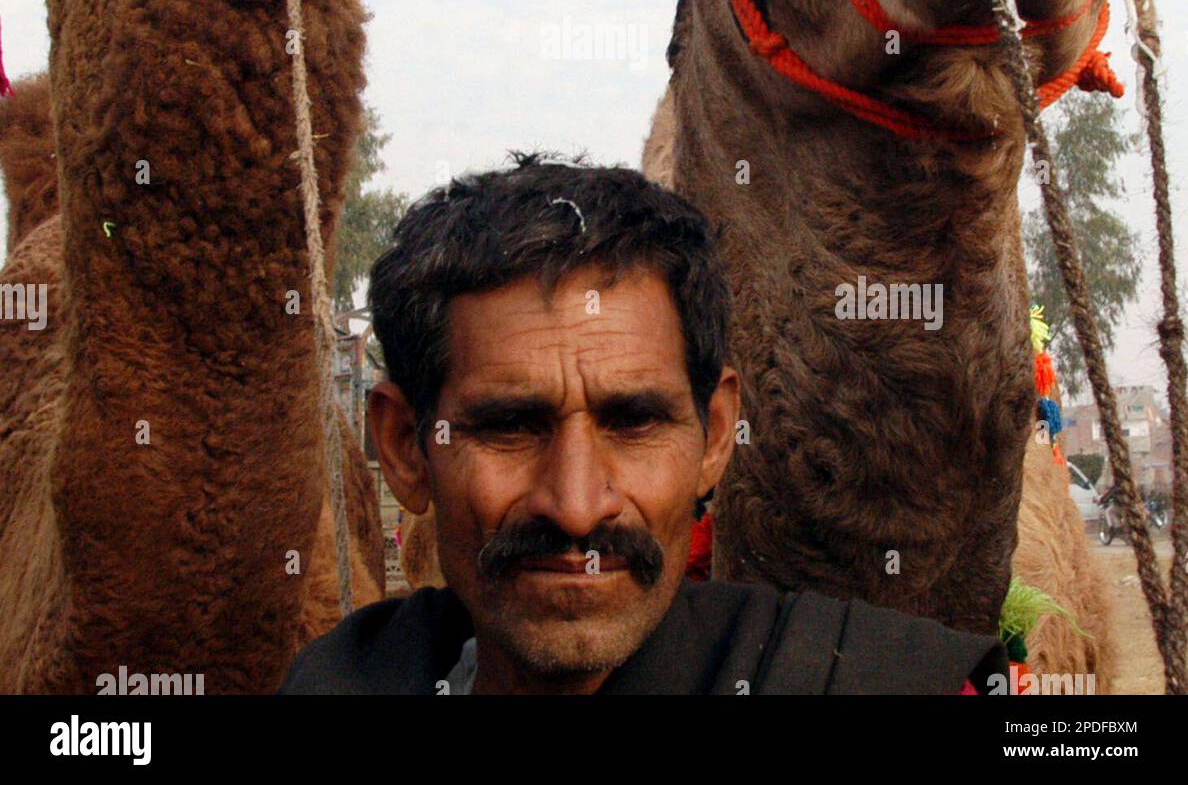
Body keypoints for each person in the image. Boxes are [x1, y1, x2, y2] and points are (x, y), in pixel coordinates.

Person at [279, 154, 1007, 695]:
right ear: (407, 447)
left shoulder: (882, 683)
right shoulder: (346, 682)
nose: (576, 506)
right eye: (511, 427)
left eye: (633, 423)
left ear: (716, 435)